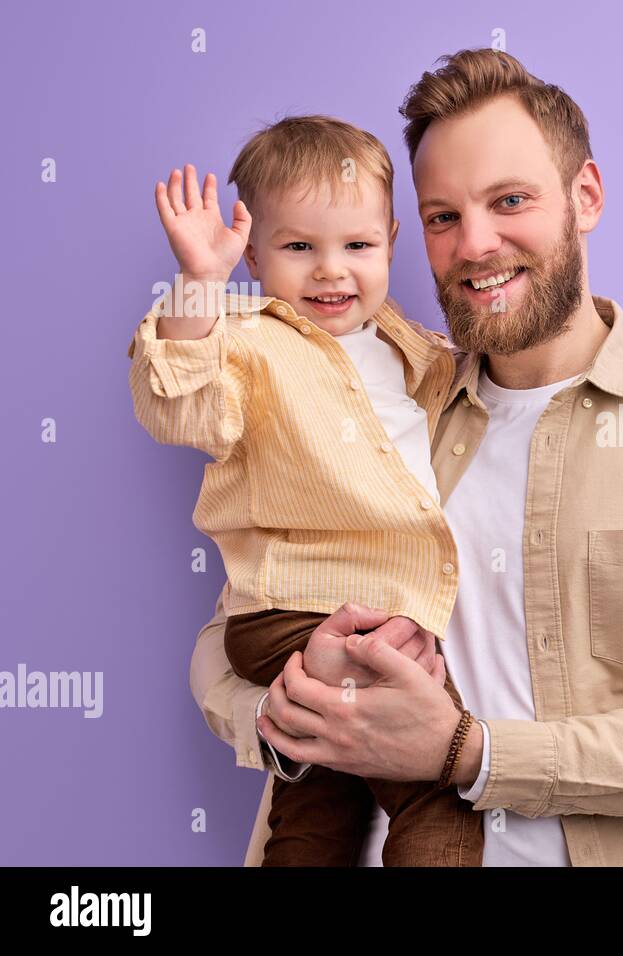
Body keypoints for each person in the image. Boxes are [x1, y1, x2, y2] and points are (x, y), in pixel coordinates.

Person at [190, 47, 623, 867]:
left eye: (509, 200)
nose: (475, 244)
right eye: (443, 217)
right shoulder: (389, 408)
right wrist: (294, 707)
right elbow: (224, 641)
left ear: (585, 197)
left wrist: (469, 754)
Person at [130, 116, 483, 866]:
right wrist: (199, 284)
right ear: (253, 251)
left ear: (390, 240)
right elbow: (178, 404)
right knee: (435, 789)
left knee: (320, 803)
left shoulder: (407, 347)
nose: (330, 271)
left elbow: (463, 402)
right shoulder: (252, 340)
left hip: (368, 610)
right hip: (296, 608)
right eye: (299, 248)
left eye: (356, 246)